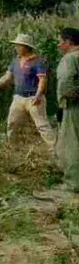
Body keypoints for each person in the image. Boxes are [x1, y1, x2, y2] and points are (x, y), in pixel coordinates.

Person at [0, 33, 54, 151]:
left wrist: (38, 95)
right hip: (18, 98)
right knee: (12, 124)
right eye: (16, 45)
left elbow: (42, 79)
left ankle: (54, 150)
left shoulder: (38, 61)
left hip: (33, 99)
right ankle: (13, 149)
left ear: (26, 47)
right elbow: (7, 76)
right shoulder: (15, 61)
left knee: (42, 126)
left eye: (19, 46)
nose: (16, 48)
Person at [56, 27, 79, 190]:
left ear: (68, 42)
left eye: (60, 41)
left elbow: (66, 84)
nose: (58, 45)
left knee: (71, 144)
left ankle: (73, 183)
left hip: (74, 107)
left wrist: (65, 99)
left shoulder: (70, 59)